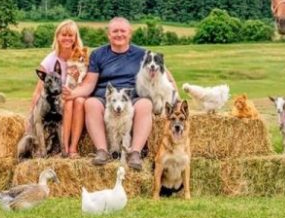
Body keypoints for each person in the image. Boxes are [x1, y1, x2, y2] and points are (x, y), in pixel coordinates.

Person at [65, 16, 175, 171]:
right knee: (90, 103)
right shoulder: (98, 54)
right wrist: (71, 94)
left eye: (123, 31)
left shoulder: (142, 54)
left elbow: (164, 73)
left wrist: (174, 93)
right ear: (108, 34)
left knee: (146, 104)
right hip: (105, 96)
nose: (119, 34)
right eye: (114, 31)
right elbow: (89, 84)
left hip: (132, 97)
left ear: (129, 33)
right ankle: (102, 151)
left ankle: (135, 152)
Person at [26, 19, 86, 158]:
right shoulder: (49, 60)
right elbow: (38, 90)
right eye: (63, 35)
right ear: (57, 37)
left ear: (76, 37)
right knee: (68, 103)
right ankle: (62, 147)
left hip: (78, 94)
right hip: (59, 98)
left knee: (78, 101)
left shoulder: (80, 56)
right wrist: (30, 115)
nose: (67, 38)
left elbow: (86, 81)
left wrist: (76, 89)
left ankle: (73, 148)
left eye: (70, 35)